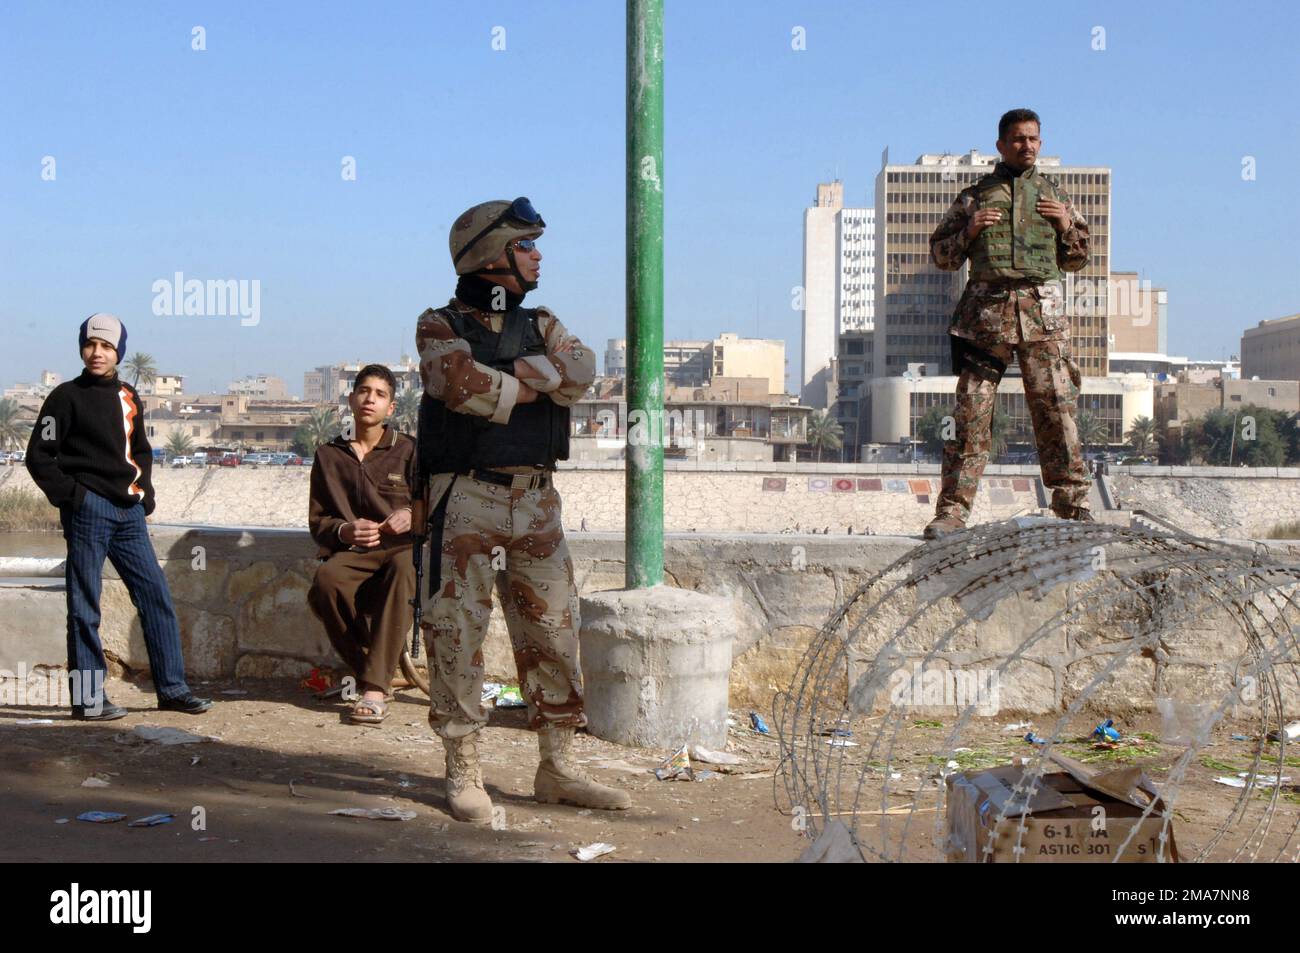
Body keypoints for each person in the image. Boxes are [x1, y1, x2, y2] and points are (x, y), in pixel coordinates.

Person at [414, 196, 630, 823]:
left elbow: (584, 369)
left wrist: (514, 378)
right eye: (526, 244)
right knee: (457, 631)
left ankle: (557, 769)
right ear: (492, 254)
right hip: (466, 497)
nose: (538, 255)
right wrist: (539, 383)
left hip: (536, 498)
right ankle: (464, 771)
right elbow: (458, 384)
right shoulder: (439, 323)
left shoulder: (542, 321)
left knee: (553, 630)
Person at [25, 314, 211, 720]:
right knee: (84, 607)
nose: (98, 353)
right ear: (81, 348)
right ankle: (89, 700)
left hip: (129, 514)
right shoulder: (64, 397)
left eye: (107, 346)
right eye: (91, 344)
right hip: (87, 512)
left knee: (155, 597)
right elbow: (38, 456)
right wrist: (74, 497)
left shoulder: (129, 396)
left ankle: (173, 689)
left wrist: (144, 496)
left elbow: (141, 451)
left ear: (118, 353)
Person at [924, 108, 1093, 540]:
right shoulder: (975, 197)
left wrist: (1065, 224)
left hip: (1042, 319)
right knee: (972, 415)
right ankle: (952, 512)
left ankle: (1072, 506)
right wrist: (970, 232)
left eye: (1034, 138)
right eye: (1018, 139)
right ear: (1001, 144)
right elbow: (943, 257)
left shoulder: (1056, 196)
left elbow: (1077, 258)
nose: (1028, 146)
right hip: (986, 320)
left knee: (1056, 409)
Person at [307, 364, 416, 725]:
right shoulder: (328, 455)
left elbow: (435, 506)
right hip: (354, 554)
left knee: (404, 569)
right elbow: (318, 522)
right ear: (352, 399)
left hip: (400, 551)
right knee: (325, 584)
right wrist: (345, 531)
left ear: (391, 408)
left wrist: (414, 515)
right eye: (364, 391)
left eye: (380, 394)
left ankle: (372, 689)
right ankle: (376, 669)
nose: (370, 399)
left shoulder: (410, 451)